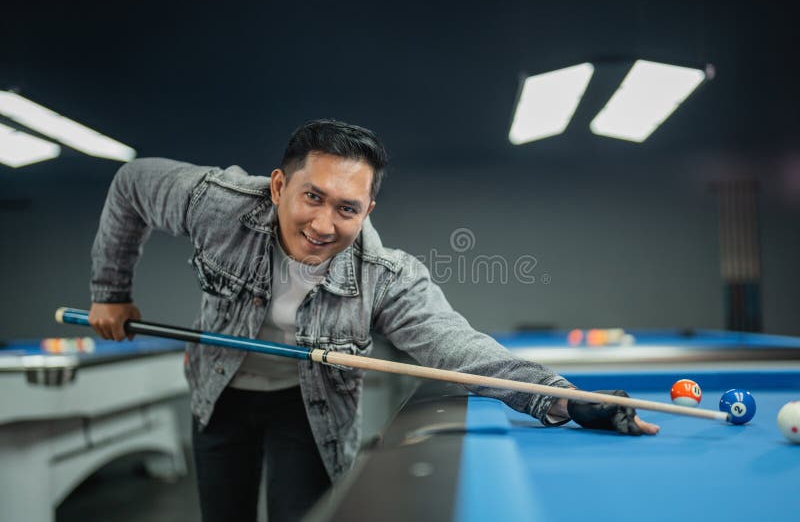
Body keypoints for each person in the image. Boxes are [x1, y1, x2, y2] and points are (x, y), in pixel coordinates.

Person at [88, 119, 659, 522]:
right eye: (312, 196)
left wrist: (562, 398)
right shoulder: (217, 203)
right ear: (280, 185)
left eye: (347, 208)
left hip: (308, 408)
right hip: (217, 390)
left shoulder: (385, 275)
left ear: (367, 211)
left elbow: (456, 348)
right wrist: (111, 291)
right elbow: (131, 184)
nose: (323, 222)